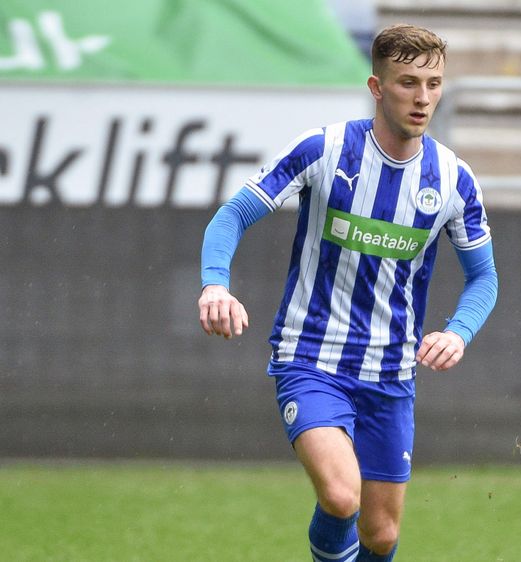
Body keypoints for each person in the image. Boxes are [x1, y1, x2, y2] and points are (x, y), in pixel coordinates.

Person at [197, 24, 498, 562]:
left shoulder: (454, 179)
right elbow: (234, 213)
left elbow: (485, 278)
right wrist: (215, 283)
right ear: (377, 87)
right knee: (340, 496)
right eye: (408, 82)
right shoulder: (325, 148)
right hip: (311, 356)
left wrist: (458, 332)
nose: (423, 97)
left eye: (434, 83)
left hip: (390, 372)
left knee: (380, 536)